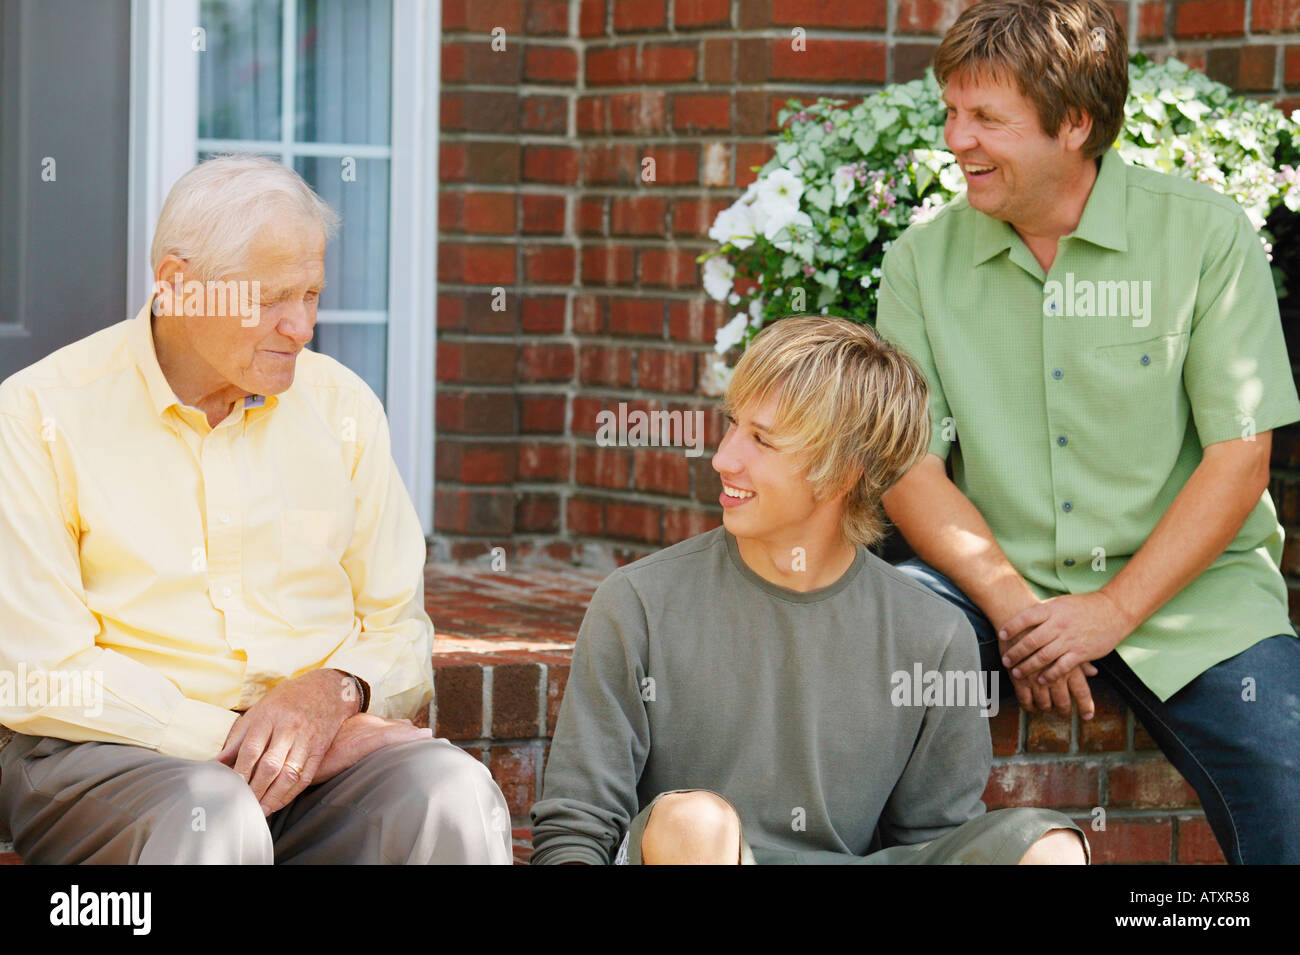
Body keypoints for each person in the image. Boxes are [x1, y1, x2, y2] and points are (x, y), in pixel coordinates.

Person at [876, 0, 1300, 864]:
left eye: (986, 118)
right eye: (952, 110)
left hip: (1195, 596)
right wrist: (1018, 608)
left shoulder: (1204, 236)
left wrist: (1109, 610)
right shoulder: (919, 263)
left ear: (1074, 124)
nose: (957, 139)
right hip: (992, 586)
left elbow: (1239, 454)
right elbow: (909, 467)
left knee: (1289, 790)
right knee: (865, 647)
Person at [0, 155, 512, 864]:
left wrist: (337, 694)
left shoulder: (343, 409)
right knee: (218, 813)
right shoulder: (38, 415)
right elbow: (43, 669)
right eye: (271, 298)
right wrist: (255, 741)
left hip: (319, 758)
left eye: (310, 293)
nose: (300, 325)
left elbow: (398, 627)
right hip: (108, 758)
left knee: (453, 792)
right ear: (179, 285)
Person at [529, 316, 1089, 865]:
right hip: (691, 854)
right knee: (694, 823)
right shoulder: (639, 602)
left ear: (845, 472)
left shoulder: (934, 634)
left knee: (1051, 848)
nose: (724, 458)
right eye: (733, 425)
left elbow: (936, 842)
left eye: (762, 441)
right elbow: (576, 829)